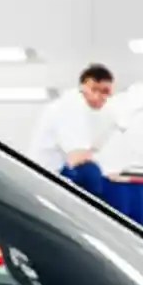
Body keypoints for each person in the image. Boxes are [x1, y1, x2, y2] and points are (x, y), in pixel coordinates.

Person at [29, 63, 120, 201]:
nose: (99, 96)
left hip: (55, 172)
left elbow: (94, 148)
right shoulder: (70, 107)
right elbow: (77, 158)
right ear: (83, 87)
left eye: (105, 92)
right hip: (48, 176)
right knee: (91, 173)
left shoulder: (87, 111)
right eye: (94, 89)